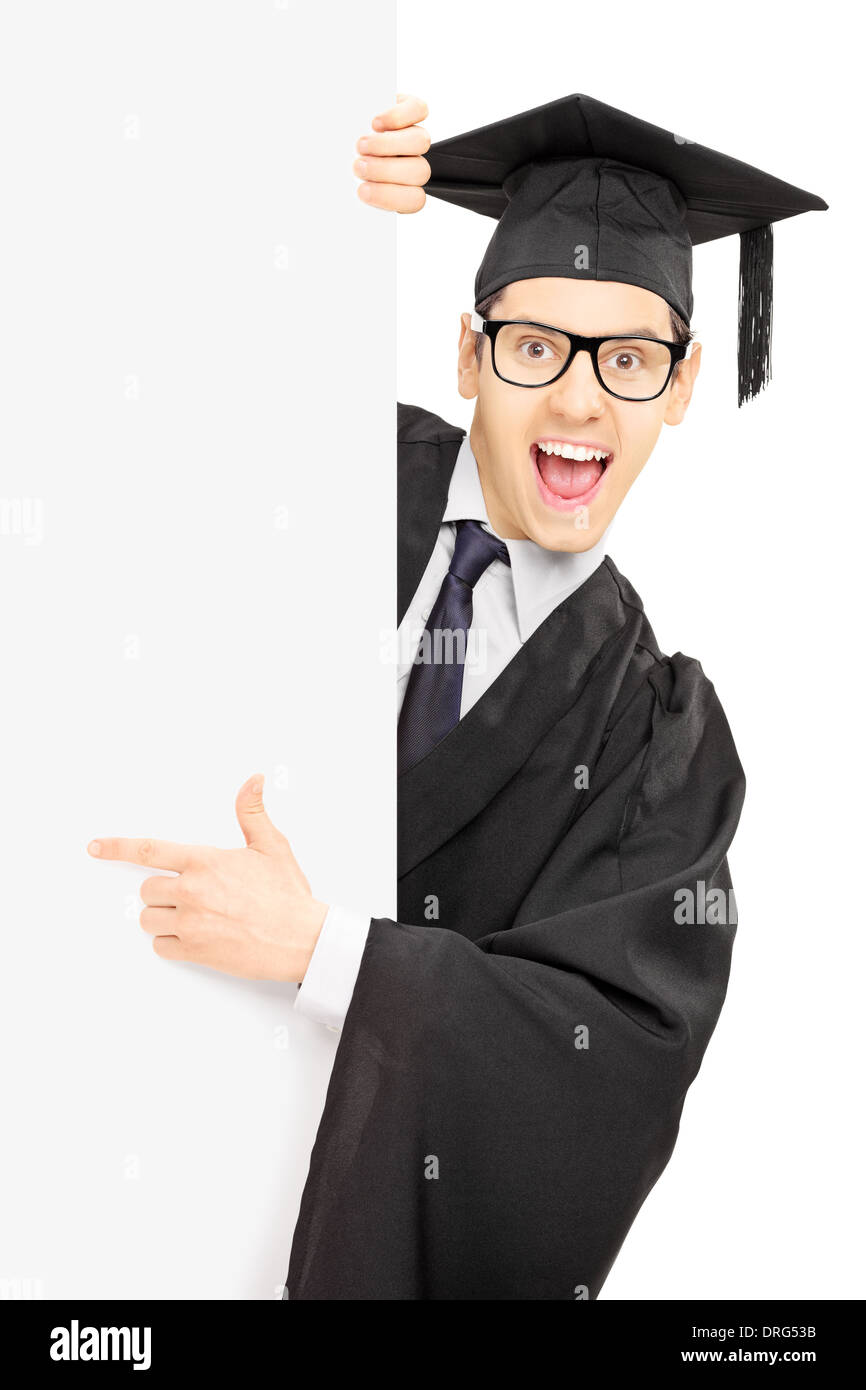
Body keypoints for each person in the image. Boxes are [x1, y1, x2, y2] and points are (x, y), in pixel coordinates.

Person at [87, 92, 827, 1300]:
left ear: (681, 386)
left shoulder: (656, 742)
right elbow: (130, 364)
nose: (580, 402)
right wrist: (279, 196)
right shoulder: (319, 464)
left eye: (629, 361)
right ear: (468, 351)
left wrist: (331, 955)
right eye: (535, 347)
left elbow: (616, 1063)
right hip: (109, 1154)